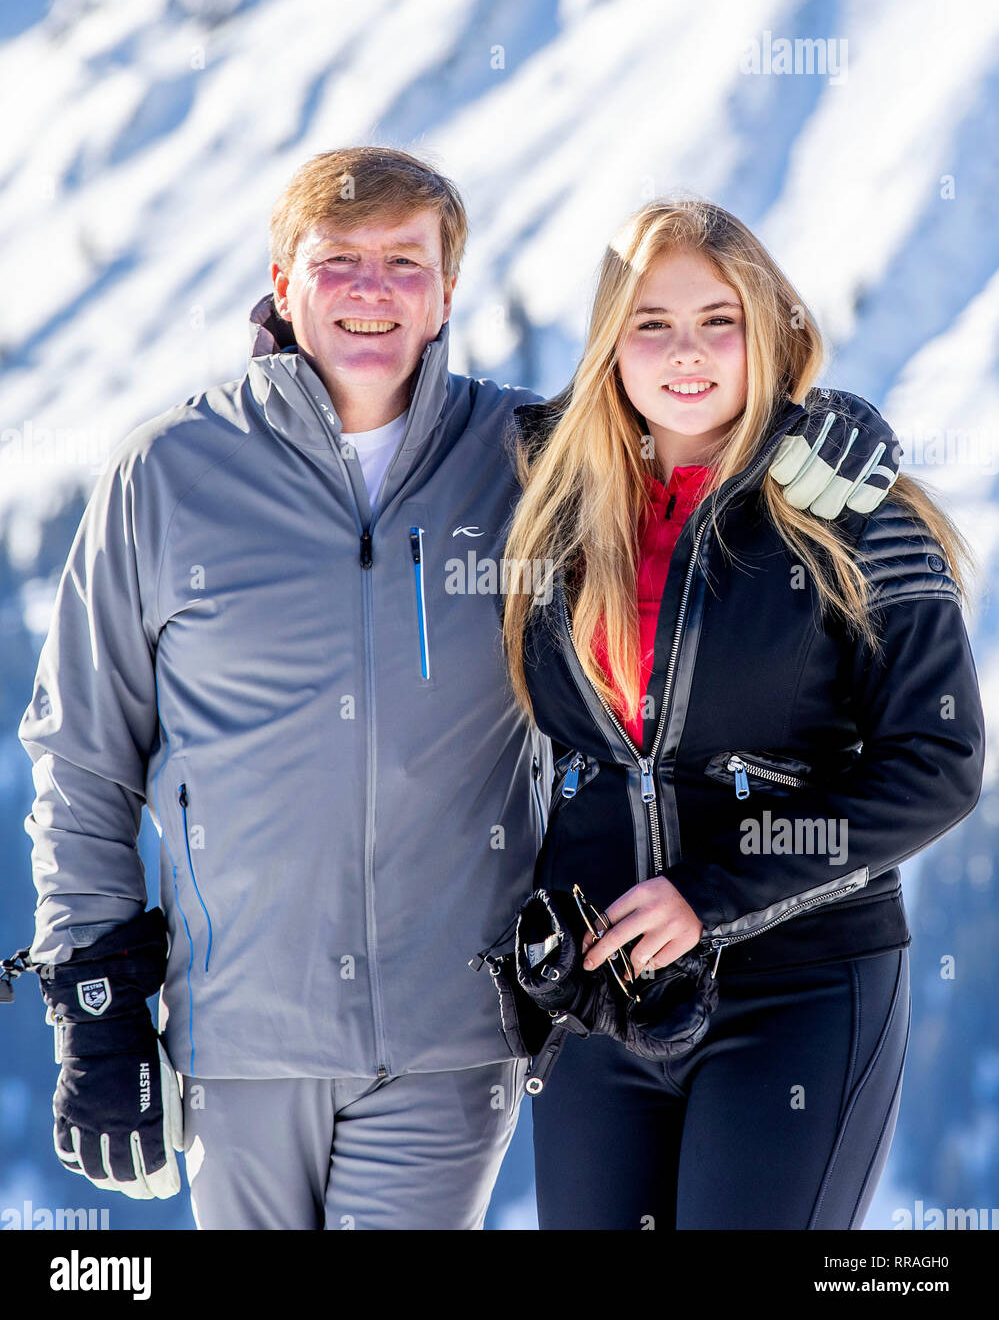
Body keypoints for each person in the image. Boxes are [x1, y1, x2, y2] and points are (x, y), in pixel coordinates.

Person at [7, 152, 902, 1230]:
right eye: (339, 262)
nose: (372, 291)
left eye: (405, 262)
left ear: (447, 292)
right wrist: (94, 1008)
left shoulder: (533, 461)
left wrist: (823, 421)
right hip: (244, 1036)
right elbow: (84, 762)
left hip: (453, 1037)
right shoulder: (166, 476)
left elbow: (687, 406)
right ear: (282, 283)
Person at [499, 198, 986, 1230]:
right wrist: (292, 358)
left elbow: (938, 760)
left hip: (800, 993)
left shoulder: (853, 512)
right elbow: (382, 448)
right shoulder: (547, 500)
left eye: (719, 320)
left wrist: (710, 893)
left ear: (767, 330)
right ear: (609, 344)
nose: (688, 352)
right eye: (652, 323)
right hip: (601, 1000)